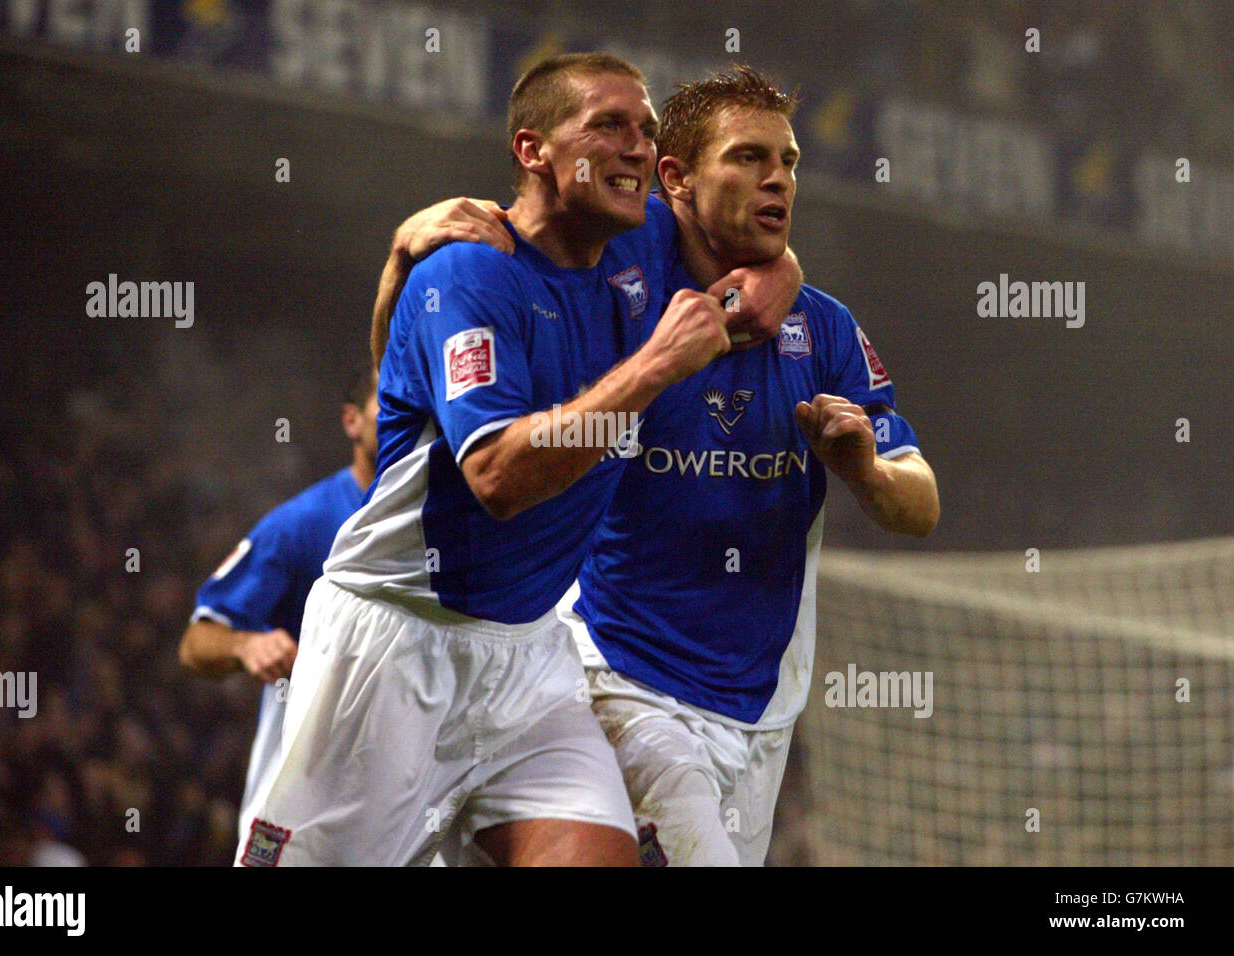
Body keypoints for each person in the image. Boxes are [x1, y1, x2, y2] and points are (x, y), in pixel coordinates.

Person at [236, 52, 801, 867]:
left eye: (645, 131)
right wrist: (655, 366)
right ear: (534, 151)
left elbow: (749, 232)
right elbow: (499, 478)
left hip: (530, 653)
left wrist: (781, 269)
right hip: (396, 641)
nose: (637, 148)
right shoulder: (471, 271)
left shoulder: (637, 240)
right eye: (608, 126)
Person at [384, 65, 940, 866]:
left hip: (762, 708)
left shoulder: (824, 331)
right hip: (621, 670)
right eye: (748, 158)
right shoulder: (616, 274)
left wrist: (868, 473)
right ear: (673, 180)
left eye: (787, 161)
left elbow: (919, 505)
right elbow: (533, 234)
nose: (777, 178)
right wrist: (413, 247)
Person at [179, 370, 378, 841]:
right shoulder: (301, 525)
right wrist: (247, 644)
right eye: (385, 399)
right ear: (351, 422)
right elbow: (195, 644)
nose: (401, 410)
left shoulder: (443, 520)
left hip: (404, 800)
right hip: (300, 803)